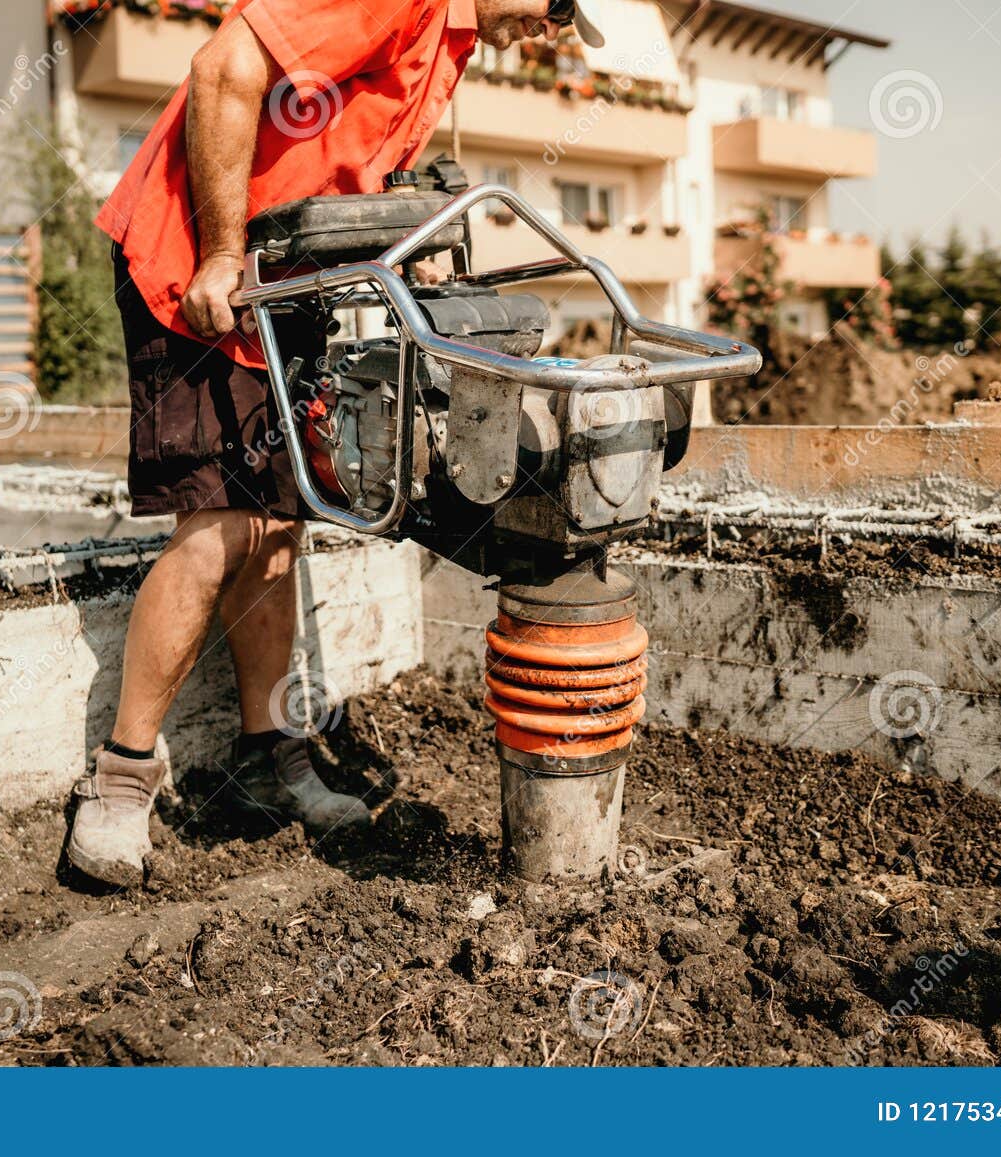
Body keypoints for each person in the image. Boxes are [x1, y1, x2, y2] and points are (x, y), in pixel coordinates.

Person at [67, 0, 603, 886]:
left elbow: (341, 158)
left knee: (281, 526)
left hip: (282, 286)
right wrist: (219, 254)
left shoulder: (449, 43)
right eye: (557, 6)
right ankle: (121, 779)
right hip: (201, 269)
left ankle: (267, 758)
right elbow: (223, 70)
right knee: (218, 525)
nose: (553, 29)